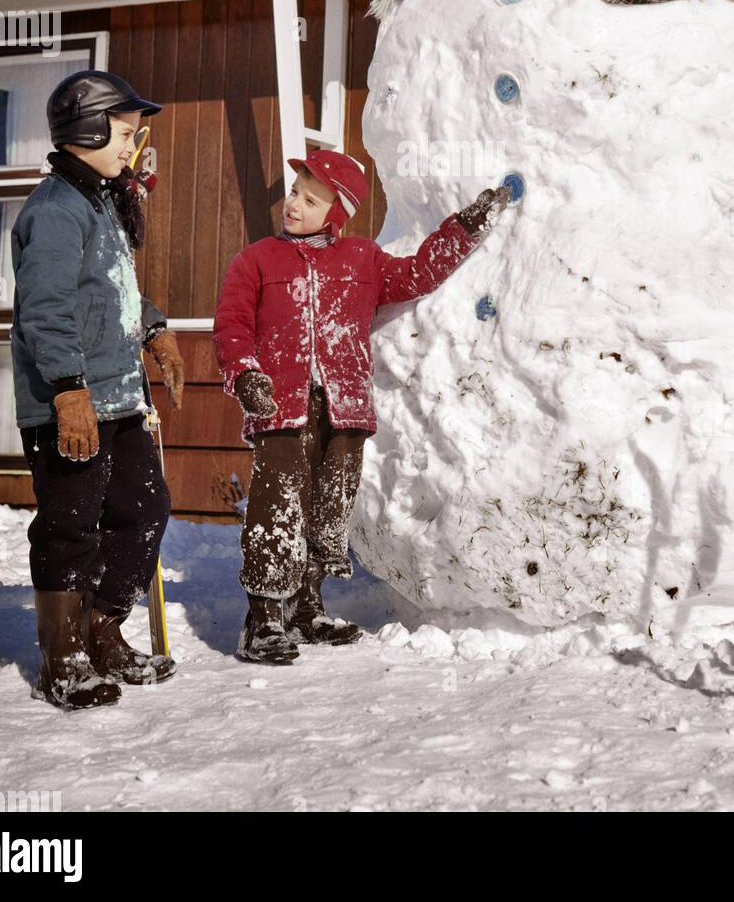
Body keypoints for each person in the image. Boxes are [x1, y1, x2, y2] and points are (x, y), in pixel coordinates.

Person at [213, 149, 511, 664]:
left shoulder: (362, 261)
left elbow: (418, 273)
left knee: (330, 508)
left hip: (343, 408)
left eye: (310, 199)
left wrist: (464, 227)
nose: (294, 205)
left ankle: (307, 607)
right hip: (280, 407)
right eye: (294, 194)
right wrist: (244, 375)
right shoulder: (257, 259)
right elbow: (232, 325)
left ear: (336, 212)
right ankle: (263, 619)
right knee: (277, 509)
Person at [11, 70, 186, 710]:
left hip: (118, 397)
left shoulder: (101, 202)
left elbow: (113, 292)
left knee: (143, 509)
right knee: (70, 525)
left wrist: (155, 329)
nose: (131, 147)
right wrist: (67, 391)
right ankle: (63, 657)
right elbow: (48, 307)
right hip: (71, 404)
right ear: (85, 128)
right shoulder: (55, 209)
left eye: (136, 137)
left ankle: (103, 628)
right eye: (124, 133)